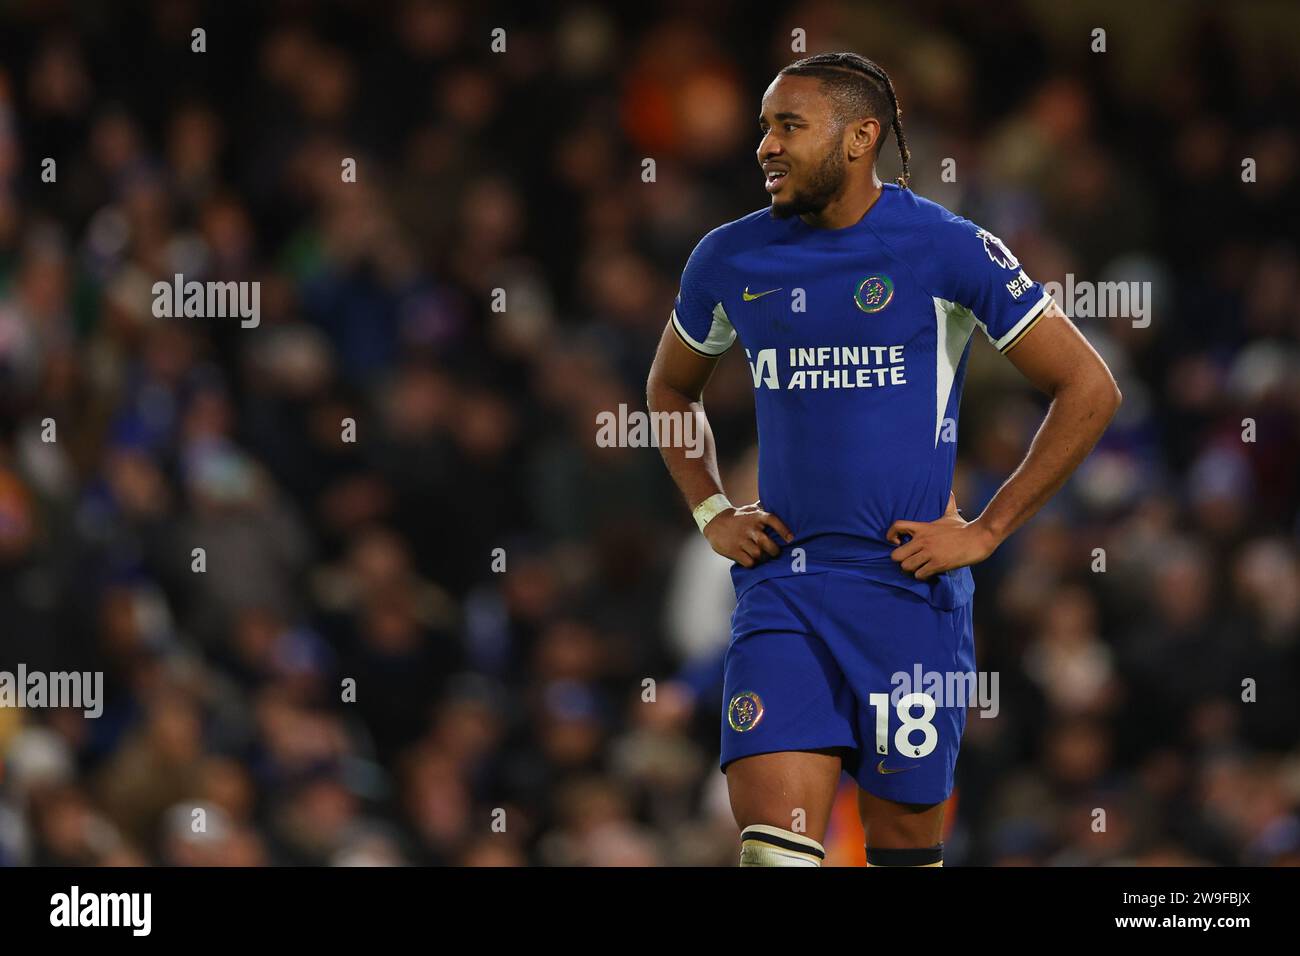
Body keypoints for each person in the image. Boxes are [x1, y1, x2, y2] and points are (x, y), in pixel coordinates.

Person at [645, 52, 1121, 867]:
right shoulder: (729, 258)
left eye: (788, 125)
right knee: (774, 856)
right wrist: (711, 510)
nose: (765, 144)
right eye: (764, 126)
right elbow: (668, 391)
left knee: (902, 855)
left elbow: (1088, 386)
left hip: (909, 598)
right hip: (782, 593)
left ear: (861, 135)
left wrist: (989, 528)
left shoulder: (947, 247)